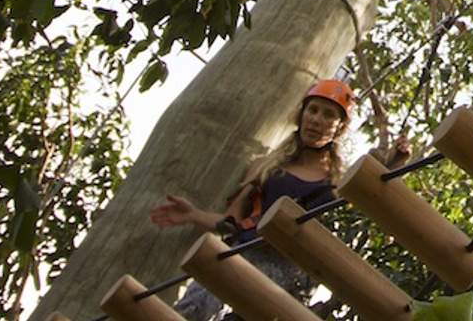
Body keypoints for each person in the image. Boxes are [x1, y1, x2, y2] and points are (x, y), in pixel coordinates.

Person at [151, 78, 353, 320]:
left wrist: (392, 161)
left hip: (284, 268)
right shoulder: (267, 167)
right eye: (313, 110)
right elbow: (231, 223)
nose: (317, 120)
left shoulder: (336, 185)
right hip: (241, 251)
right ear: (302, 114)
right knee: (192, 308)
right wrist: (192, 215)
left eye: (329, 115)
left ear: (339, 127)